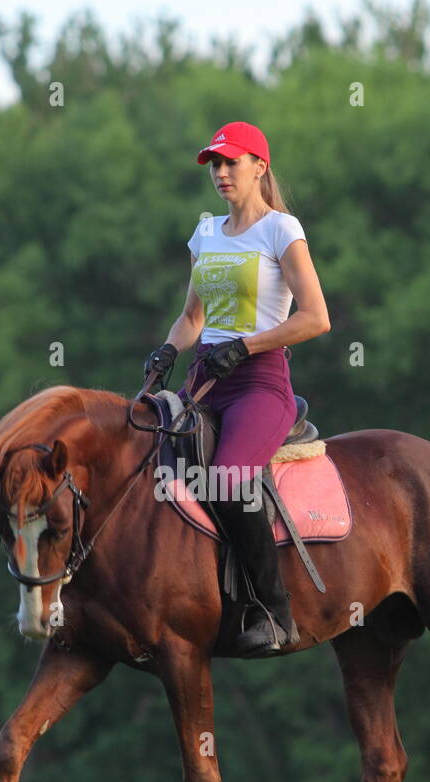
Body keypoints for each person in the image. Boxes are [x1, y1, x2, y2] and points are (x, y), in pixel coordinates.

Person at [145, 121, 331, 656]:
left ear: (260, 167)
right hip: (205, 379)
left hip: (260, 382)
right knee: (145, 465)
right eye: (215, 165)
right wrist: (167, 351)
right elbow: (191, 318)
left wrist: (246, 346)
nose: (221, 173)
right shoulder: (204, 233)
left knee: (228, 478)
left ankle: (274, 613)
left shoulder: (281, 230)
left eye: (231, 162)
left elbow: (316, 318)